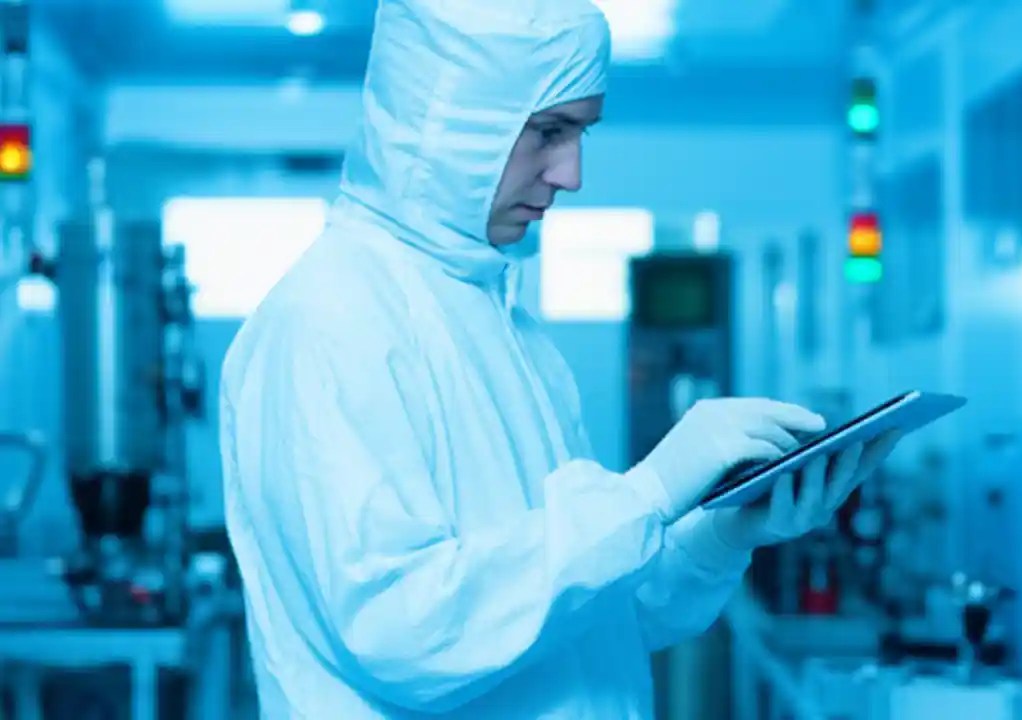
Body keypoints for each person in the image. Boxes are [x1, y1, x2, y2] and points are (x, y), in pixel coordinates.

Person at [218, 0, 899, 717]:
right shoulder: (331, 319)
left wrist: (720, 534)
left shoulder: (501, 323)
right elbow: (399, 631)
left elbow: (586, 617)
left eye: (579, 133)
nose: (572, 173)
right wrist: (647, 494)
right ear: (448, 121)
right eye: (549, 131)